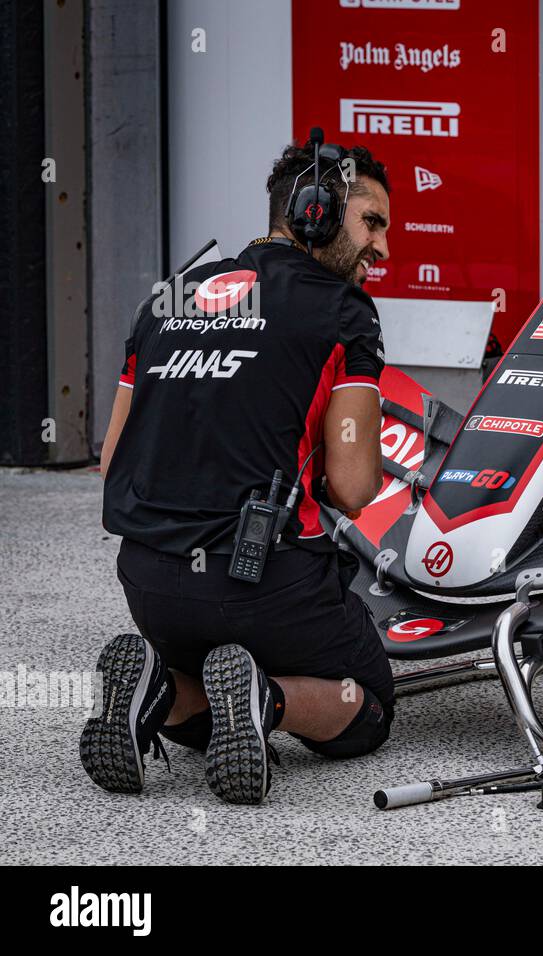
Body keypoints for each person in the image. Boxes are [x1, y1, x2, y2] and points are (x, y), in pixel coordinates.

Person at [81, 135, 394, 805]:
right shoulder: (344, 314)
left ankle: (158, 689)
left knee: (208, 704)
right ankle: (268, 696)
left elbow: (112, 463)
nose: (383, 249)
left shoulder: (166, 299)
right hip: (265, 586)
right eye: (371, 222)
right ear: (317, 210)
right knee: (367, 707)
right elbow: (353, 488)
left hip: (151, 585)